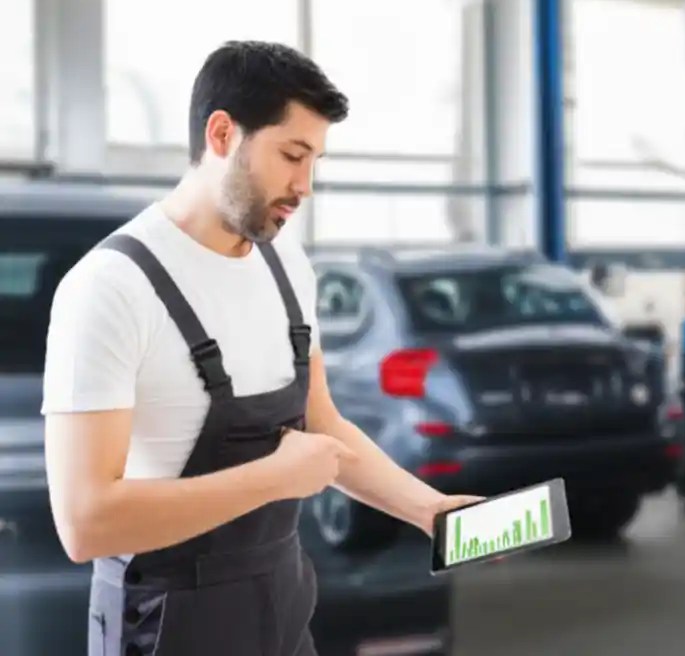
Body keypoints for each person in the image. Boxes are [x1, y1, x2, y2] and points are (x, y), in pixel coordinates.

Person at [41, 40, 481, 656]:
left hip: (281, 610)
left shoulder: (288, 266)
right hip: (165, 628)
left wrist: (430, 511)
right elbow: (87, 522)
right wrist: (275, 478)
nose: (304, 186)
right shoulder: (110, 288)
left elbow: (321, 424)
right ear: (222, 134)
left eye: (315, 161)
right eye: (291, 155)